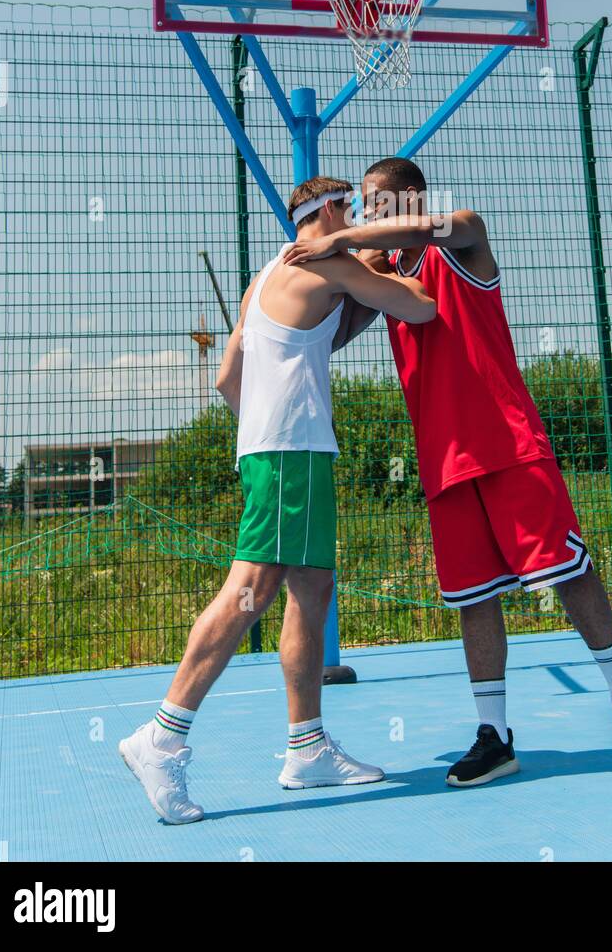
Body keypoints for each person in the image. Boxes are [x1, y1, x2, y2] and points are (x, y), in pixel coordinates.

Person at [283, 157, 612, 787]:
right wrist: (335, 275)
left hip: (508, 445)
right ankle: (496, 735)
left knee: (568, 575)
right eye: (363, 207)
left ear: (410, 199)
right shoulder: (389, 282)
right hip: (445, 463)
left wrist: (342, 239)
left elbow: (437, 229)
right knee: (475, 599)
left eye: (378, 203)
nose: (369, 214)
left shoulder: (462, 235)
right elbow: (331, 334)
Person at [119, 176, 436, 823]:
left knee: (311, 588)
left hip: (274, 448)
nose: (356, 218)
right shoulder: (329, 263)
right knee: (252, 587)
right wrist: (385, 255)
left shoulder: (264, 277)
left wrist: (265, 423)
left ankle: (307, 748)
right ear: (329, 213)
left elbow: (226, 376)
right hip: (291, 452)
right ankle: (162, 736)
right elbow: (420, 307)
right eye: (350, 209)